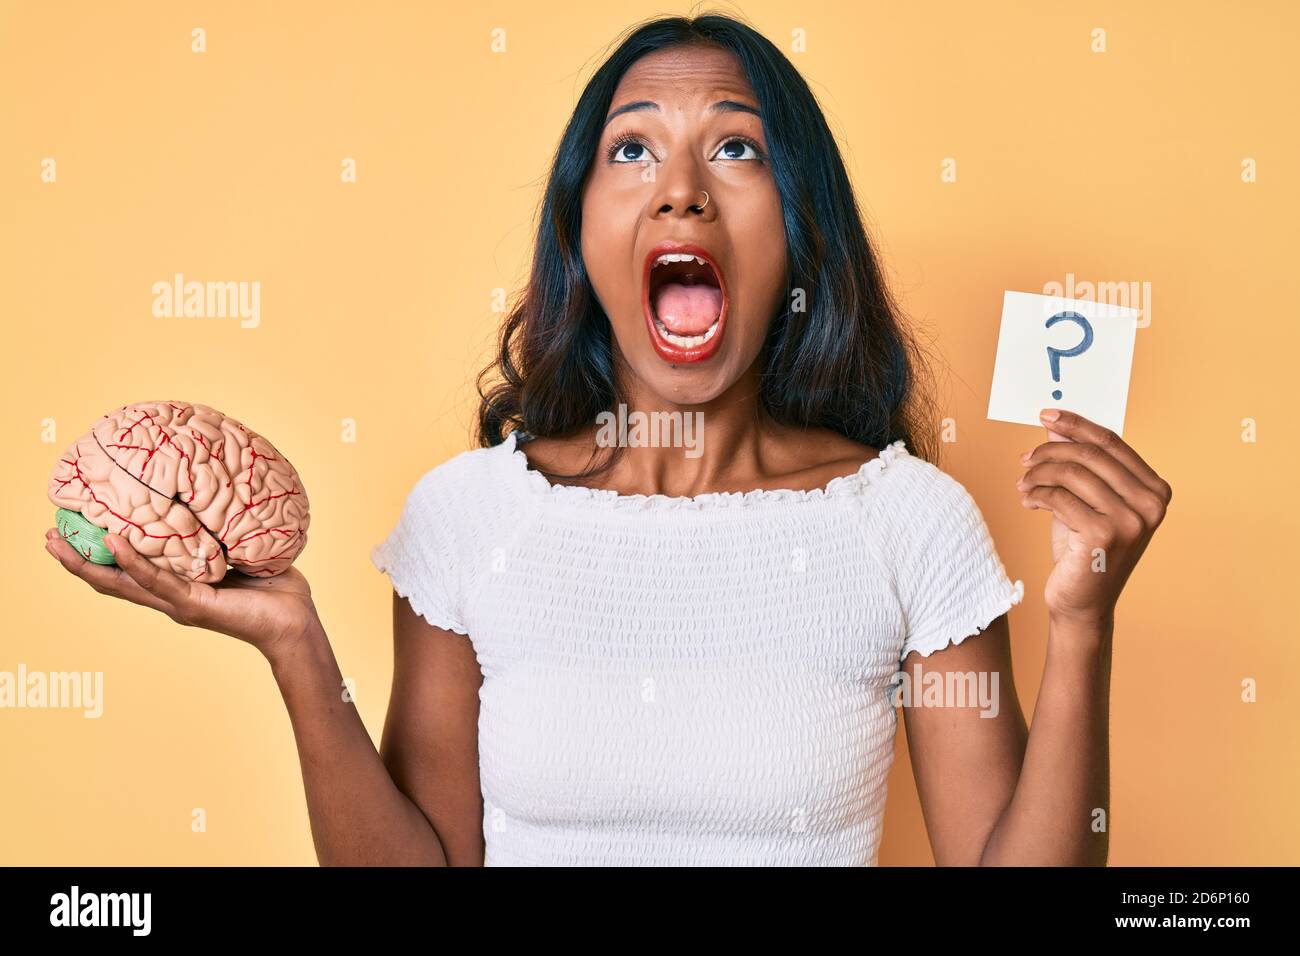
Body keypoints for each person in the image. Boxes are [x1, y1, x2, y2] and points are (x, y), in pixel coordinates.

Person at [44, 13, 1170, 866]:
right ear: (582, 230)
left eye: (738, 149)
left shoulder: (909, 522)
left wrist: (1081, 627)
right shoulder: (467, 517)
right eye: (633, 152)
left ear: (801, 229)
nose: (680, 192)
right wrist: (297, 651)